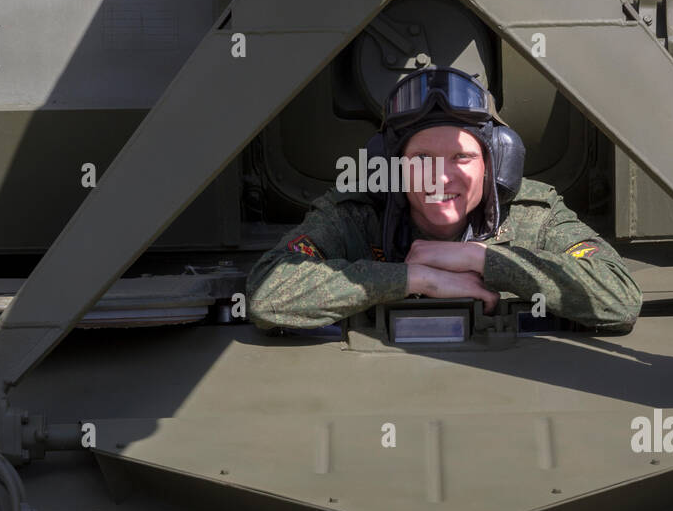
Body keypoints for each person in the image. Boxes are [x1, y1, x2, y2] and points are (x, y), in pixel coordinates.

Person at [246, 67, 642, 333]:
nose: (440, 177)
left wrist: (486, 261)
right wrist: (415, 279)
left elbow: (619, 298)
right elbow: (268, 294)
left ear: (495, 165)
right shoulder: (356, 213)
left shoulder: (531, 214)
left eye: (462, 157)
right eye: (421, 159)